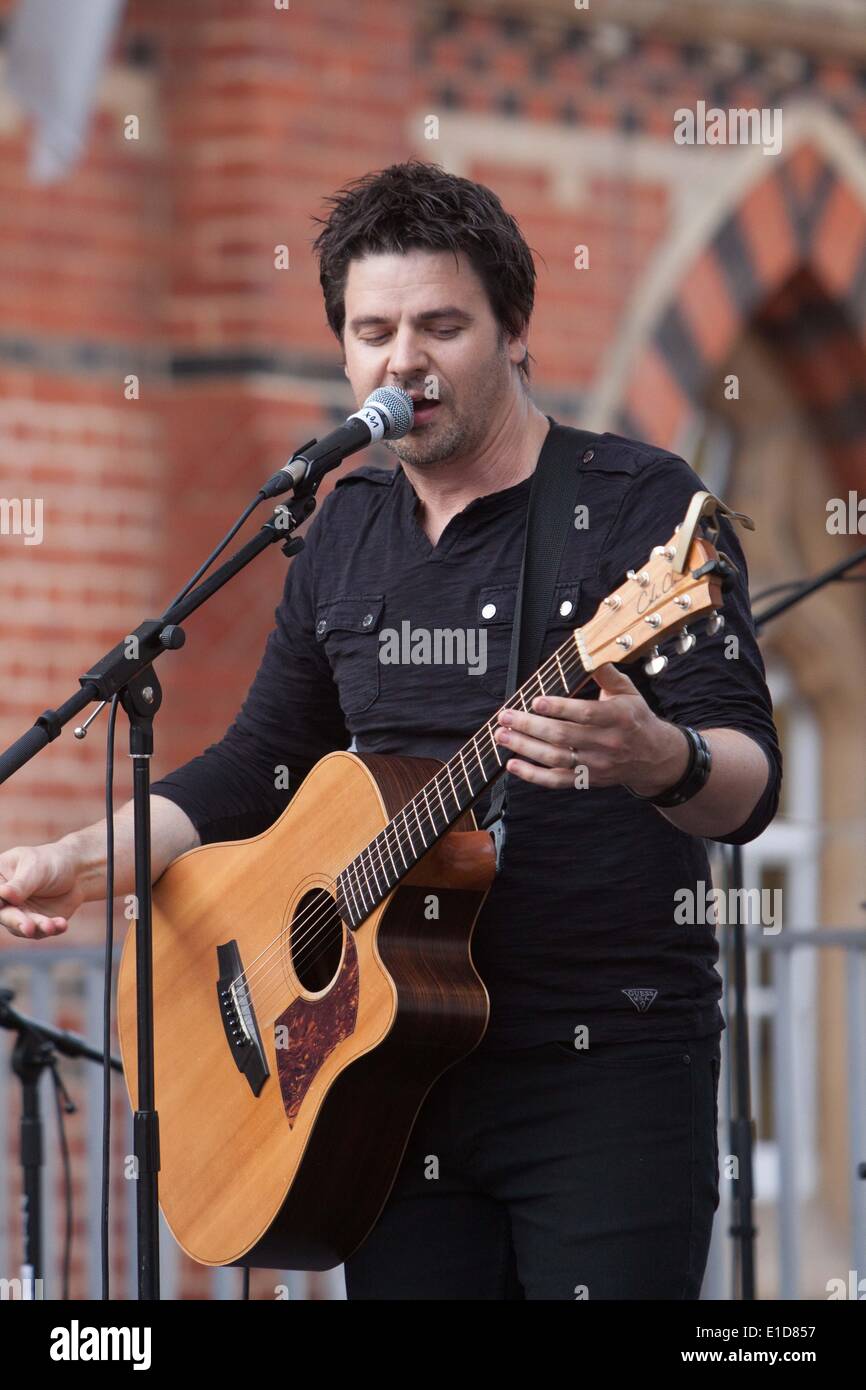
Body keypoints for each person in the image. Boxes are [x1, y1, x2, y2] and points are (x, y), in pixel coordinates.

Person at [0, 161, 781, 1300]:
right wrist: (81, 858)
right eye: (370, 331)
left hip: (602, 1072)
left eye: (438, 325)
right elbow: (254, 768)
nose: (399, 360)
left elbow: (749, 786)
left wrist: (659, 755)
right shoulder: (342, 528)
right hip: (387, 1074)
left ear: (514, 331)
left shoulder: (635, 507)